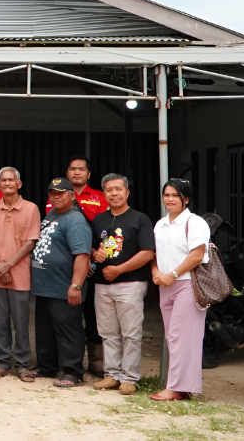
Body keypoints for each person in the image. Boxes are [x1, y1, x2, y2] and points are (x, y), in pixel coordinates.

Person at [90, 173, 155, 396]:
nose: (114, 193)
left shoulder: (140, 219)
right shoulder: (99, 220)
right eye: (109, 190)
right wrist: (95, 254)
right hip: (102, 285)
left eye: (118, 189)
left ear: (127, 192)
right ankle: (112, 375)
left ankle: (129, 377)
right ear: (104, 194)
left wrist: (119, 269)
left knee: (131, 332)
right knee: (107, 332)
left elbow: (147, 253)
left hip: (131, 282)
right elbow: (91, 248)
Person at [46, 154, 108, 376]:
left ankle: (96, 359)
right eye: (72, 169)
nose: (77, 172)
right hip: (64, 266)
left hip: (95, 262)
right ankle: (66, 361)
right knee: (66, 314)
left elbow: (106, 231)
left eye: (82, 169)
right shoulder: (55, 197)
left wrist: (94, 256)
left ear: (89, 174)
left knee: (92, 312)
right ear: (67, 173)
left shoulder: (100, 198)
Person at [149, 178, 209, 402]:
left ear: (186, 198)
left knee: (181, 336)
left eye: (175, 195)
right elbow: (154, 254)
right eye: (167, 195)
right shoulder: (160, 224)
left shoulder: (194, 222)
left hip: (187, 283)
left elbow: (197, 254)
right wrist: (156, 272)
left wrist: (172, 274)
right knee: (173, 337)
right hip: (165, 285)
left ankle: (174, 388)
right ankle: (182, 387)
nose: (170, 199)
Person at [0, 166, 40, 381]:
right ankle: (1, 361)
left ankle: (23, 364)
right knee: (0, 320)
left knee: (21, 320)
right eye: (3, 180)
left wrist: (9, 265)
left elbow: (31, 241)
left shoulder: (31, 208)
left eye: (10, 180)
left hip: (20, 273)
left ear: (19, 184)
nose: (6, 183)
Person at [31, 178, 92, 388]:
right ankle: (46, 366)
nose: (56, 196)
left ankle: (73, 371)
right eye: (52, 193)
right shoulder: (53, 214)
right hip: (45, 285)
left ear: (72, 195)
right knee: (45, 328)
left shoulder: (75, 220)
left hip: (64, 286)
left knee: (69, 330)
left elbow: (83, 256)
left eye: (61, 193)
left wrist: (76, 286)